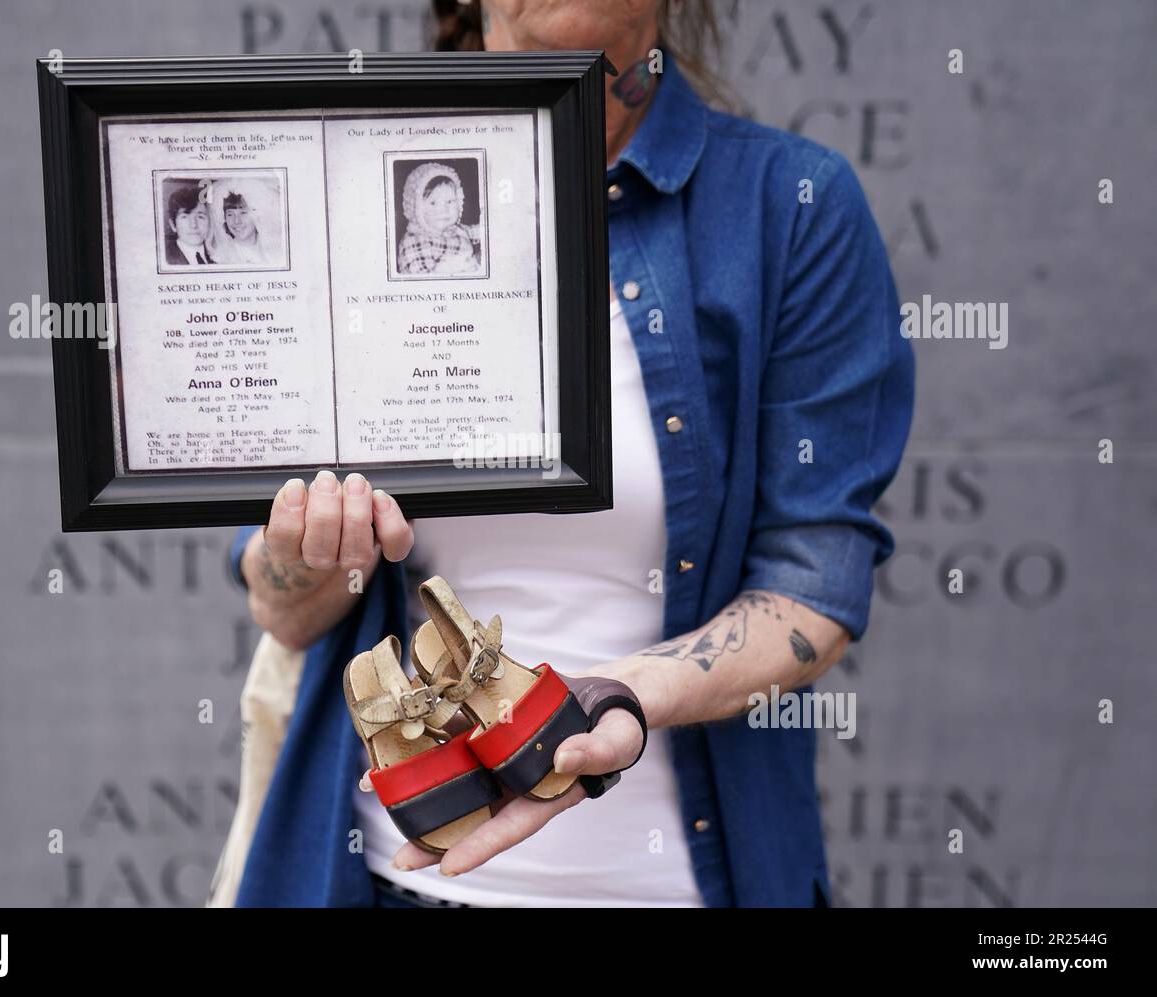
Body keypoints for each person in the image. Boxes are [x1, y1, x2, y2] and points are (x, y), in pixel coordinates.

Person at [228, 0, 914, 908]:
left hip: (681, 887)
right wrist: (297, 554)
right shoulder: (348, 199)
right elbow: (287, 614)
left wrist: (620, 695)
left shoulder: (791, 208)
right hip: (383, 881)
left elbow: (815, 581)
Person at [396, 162, 483, 276]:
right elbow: (419, 281)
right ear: (416, 208)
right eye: (433, 203)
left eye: (450, 201)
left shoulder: (456, 230)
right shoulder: (414, 241)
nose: (444, 210)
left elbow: (482, 231)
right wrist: (444, 269)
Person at [163, 183, 214, 266]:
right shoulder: (164, 258)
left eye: (200, 217)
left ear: (210, 222)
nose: (193, 225)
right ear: (173, 225)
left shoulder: (217, 258)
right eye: (185, 217)